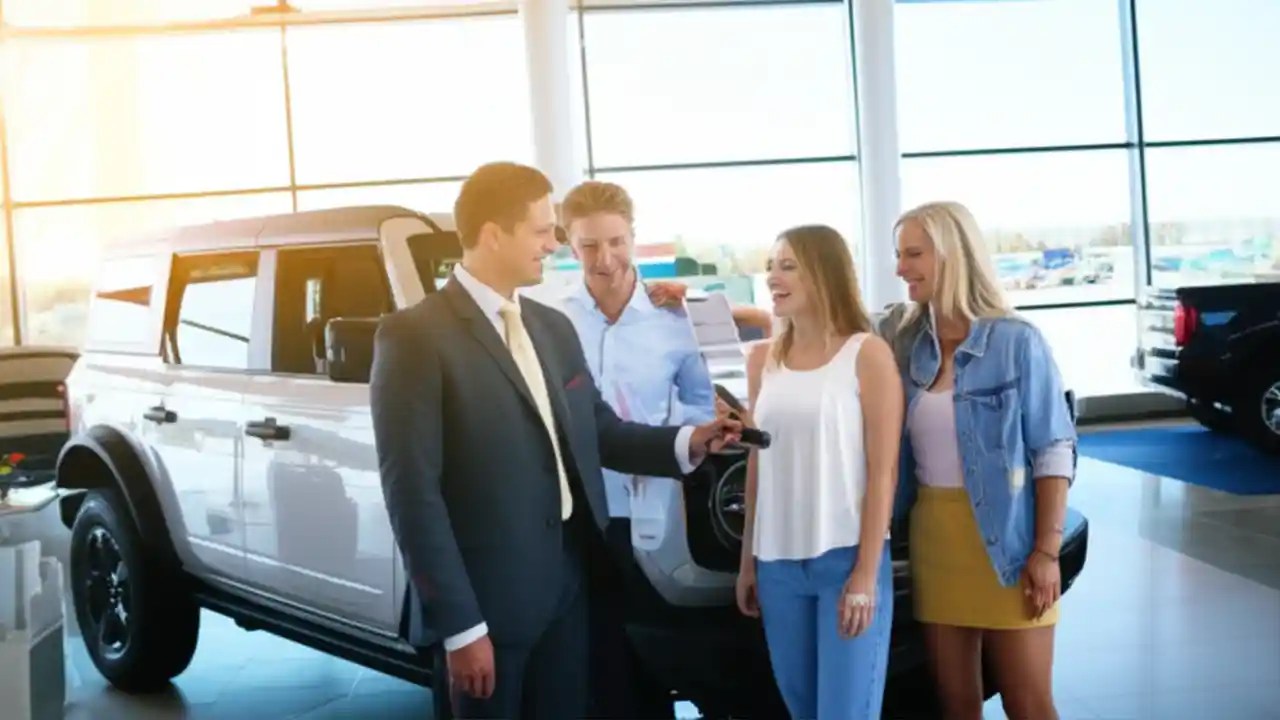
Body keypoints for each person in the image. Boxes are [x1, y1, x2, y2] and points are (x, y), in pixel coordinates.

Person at [368, 161, 741, 720]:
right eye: (542, 230)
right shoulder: (414, 337)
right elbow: (412, 496)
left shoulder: (551, 327)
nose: (553, 244)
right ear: (494, 235)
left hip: (568, 597)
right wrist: (460, 627)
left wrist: (688, 442)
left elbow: (599, 432)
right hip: (485, 614)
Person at [882, 200, 1076, 720]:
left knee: (1028, 704)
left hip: (1009, 542)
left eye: (913, 254)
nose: (900, 268)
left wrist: (1046, 552)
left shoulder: (1017, 342)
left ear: (952, 254)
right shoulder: (905, 343)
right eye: (899, 254)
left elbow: (1053, 450)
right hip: (935, 540)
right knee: (956, 707)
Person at [555, 180, 717, 719]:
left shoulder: (675, 318)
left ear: (633, 235)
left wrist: (671, 439)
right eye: (589, 245)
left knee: (651, 654)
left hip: (651, 509)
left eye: (616, 242)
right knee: (589, 655)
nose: (605, 259)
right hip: (577, 512)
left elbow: (702, 404)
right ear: (569, 244)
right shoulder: (553, 319)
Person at [733, 225, 903, 720]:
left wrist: (865, 575)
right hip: (776, 565)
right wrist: (748, 562)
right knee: (802, 711)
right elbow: (757, 462)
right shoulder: (762, 360)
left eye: (788, 266)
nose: (773, 277)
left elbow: (884, 471)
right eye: (771, 266)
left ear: (824, 274)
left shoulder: (867, 354)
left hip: (846, 560)